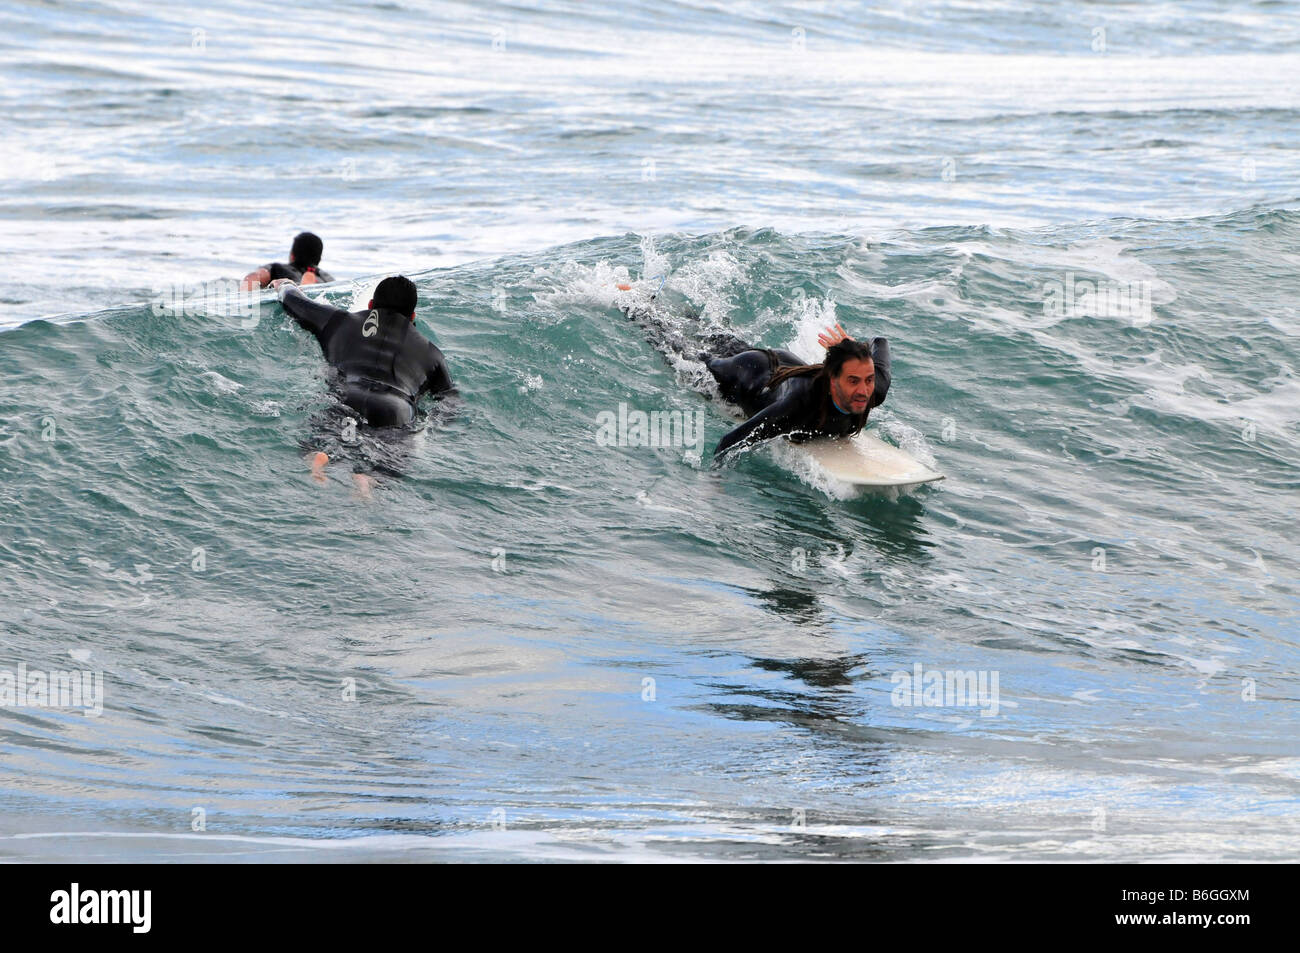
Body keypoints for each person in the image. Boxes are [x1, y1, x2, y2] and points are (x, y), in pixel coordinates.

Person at [277, 275, 455, 428]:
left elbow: (292, 300)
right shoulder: (432, 354)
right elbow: (450, 405)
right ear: (413, 316)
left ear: (371, 305)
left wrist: (285, 285)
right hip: (395, 410)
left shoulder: (339, 322)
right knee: (376, 464)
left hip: (347, 396)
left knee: (321, 453)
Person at [703, 322, 890, 458]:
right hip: (749, 371)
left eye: (869, 380)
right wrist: (714, 482)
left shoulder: (871, 391)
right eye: (853, 380)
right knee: (695, 358)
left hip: (784, 367)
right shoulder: (798, 404)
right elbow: (727, 443)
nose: (863, 390)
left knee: (721, 339)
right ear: (833, 379)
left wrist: (851, 346)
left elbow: (880, 341)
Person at [241, 232, 335, 290]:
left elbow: (254, 278)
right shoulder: (327, 277)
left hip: (293, 289)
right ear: (319, 258)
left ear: (292, 255)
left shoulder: (276, 268)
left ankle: (304, 289)